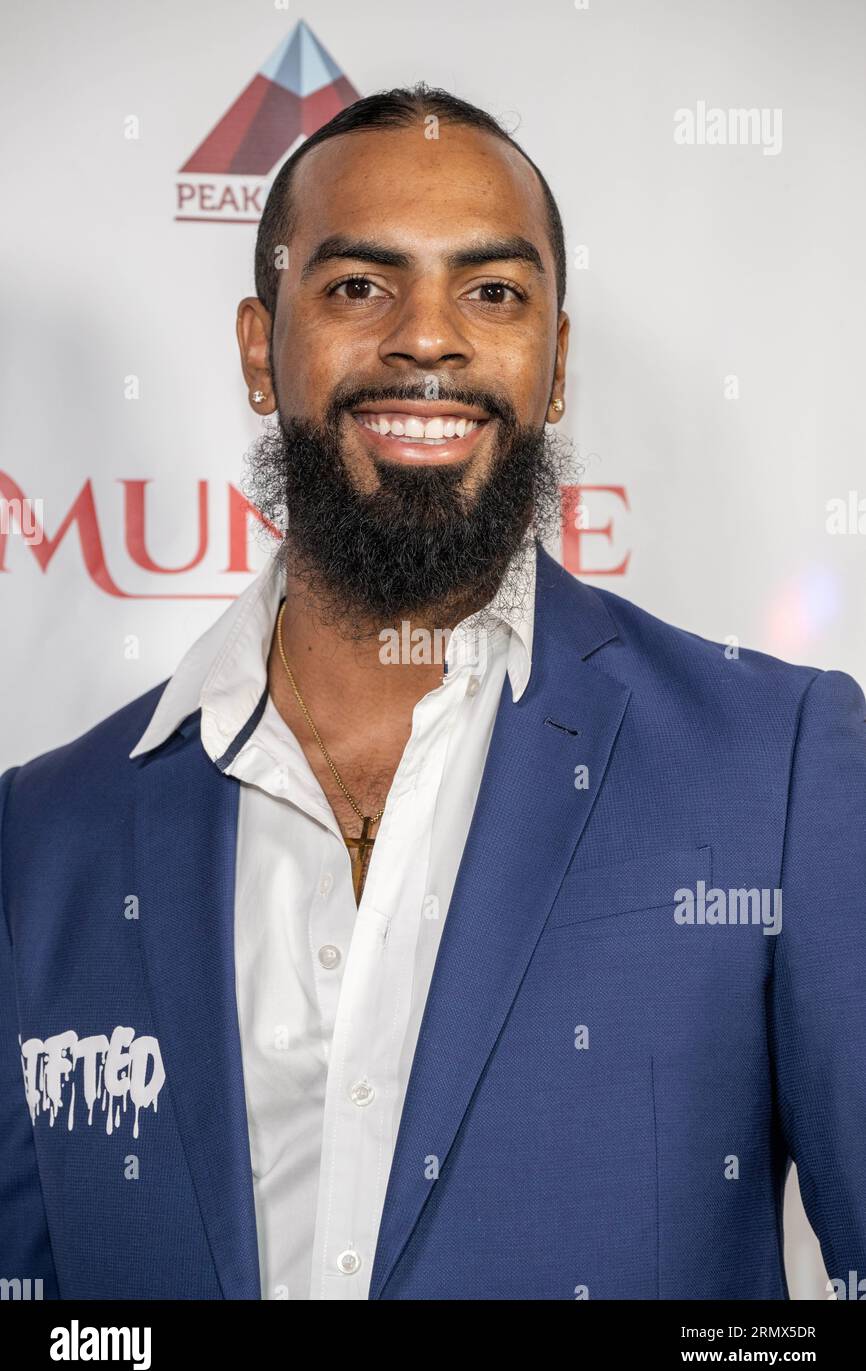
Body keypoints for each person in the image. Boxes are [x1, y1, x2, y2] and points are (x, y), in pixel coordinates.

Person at [1, 85, 864, 1302]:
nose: (426, 338)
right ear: (262, 350)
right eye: (359, 286)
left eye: (492, 292)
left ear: (555, 364)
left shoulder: (775, 767)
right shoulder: (41, 838)